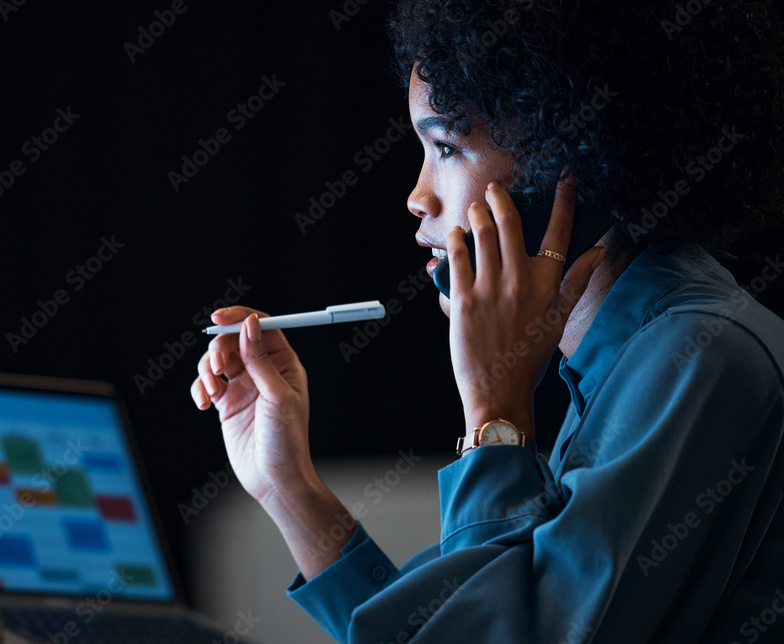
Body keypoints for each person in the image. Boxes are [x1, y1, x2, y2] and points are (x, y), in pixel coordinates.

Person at [190, 0, 784, 641]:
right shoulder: (626, 361)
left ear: (571, 159)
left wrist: (493, 414)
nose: (417, 196)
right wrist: (286, 487)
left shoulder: (698, 357)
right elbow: (450, 626)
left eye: (446, 146)